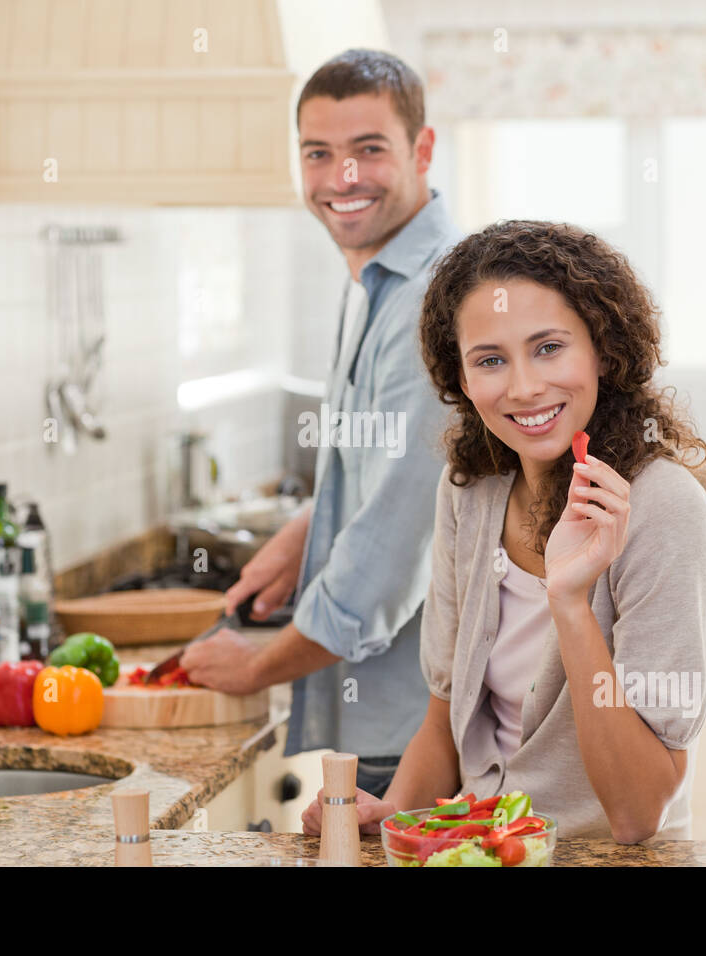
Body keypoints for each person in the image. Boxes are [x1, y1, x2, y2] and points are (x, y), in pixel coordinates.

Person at [300, 220, 706, 843]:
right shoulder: (470, 491)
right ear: (463, 382)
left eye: (549, 347)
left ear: (602, 348)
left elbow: (636, 815)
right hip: (476, 850)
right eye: (491, 360)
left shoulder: (660, 509)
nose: (524, 387)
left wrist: (571, 605)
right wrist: (395, 815)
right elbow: (446, 723)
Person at [181, 49, 463, 798]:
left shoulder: (436, 300)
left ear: (422, 149)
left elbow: (393, 552)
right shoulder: (376, 280)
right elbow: (394, 472)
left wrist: (257, 666)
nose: (343, 179)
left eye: (369, 149)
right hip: (390, 721)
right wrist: (306, 535)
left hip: (418, 735)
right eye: (319, 154)